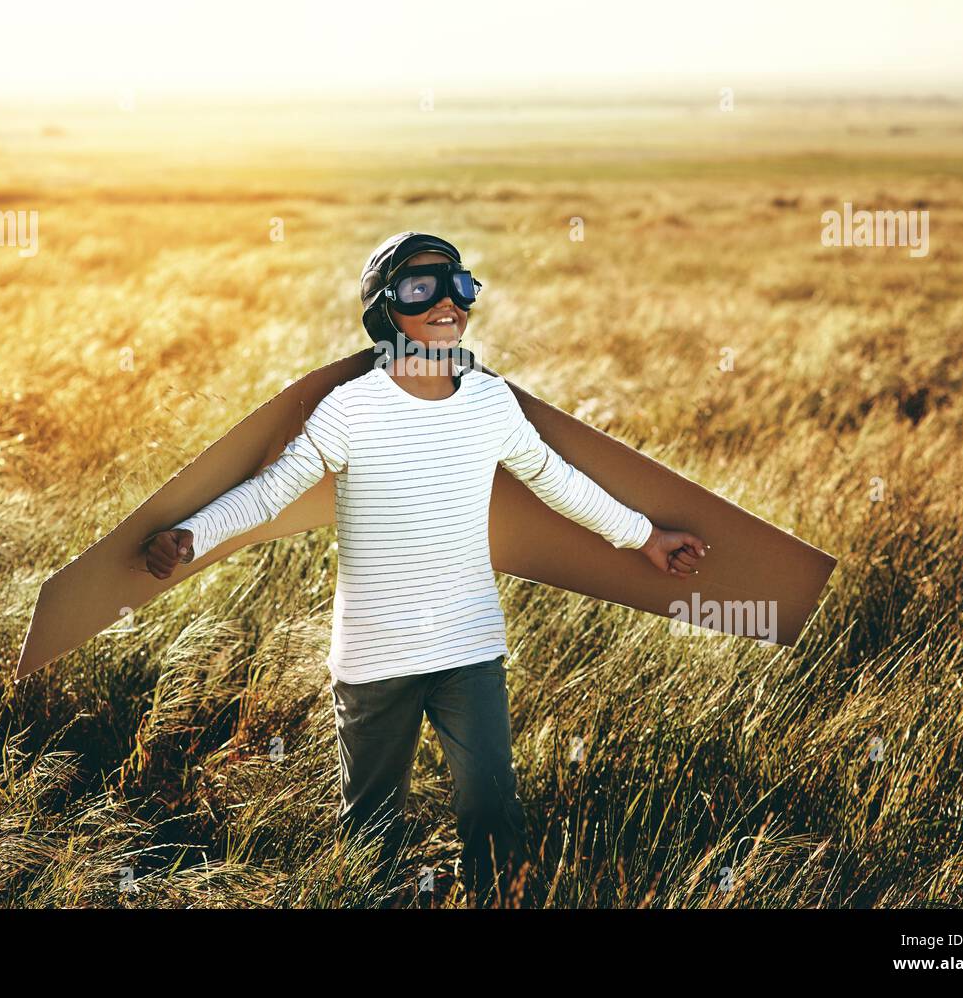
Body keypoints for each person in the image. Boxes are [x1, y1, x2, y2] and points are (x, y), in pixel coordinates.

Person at [144, 231, 706, 907]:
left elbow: (558, 480)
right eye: (420, 288)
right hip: (374, 659)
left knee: (495, 817)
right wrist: (190, 535)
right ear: (385, 309)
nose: (446, 303)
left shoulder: (491, 403)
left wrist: (644, 536)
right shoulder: (351, 408)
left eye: (457, 285)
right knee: (371, 837)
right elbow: (270, 492)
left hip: (469, 647)